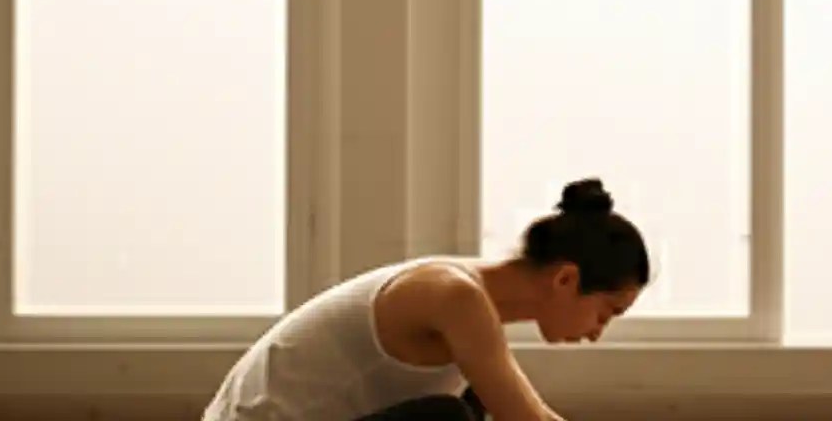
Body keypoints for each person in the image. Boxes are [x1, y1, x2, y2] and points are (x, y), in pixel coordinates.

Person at [202, 178, 651, 421]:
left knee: (475, 402)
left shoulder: (470, 297)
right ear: (566, 279)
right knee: (448, 420)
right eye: (606, 312)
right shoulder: (454, 295)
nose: (597, 333)